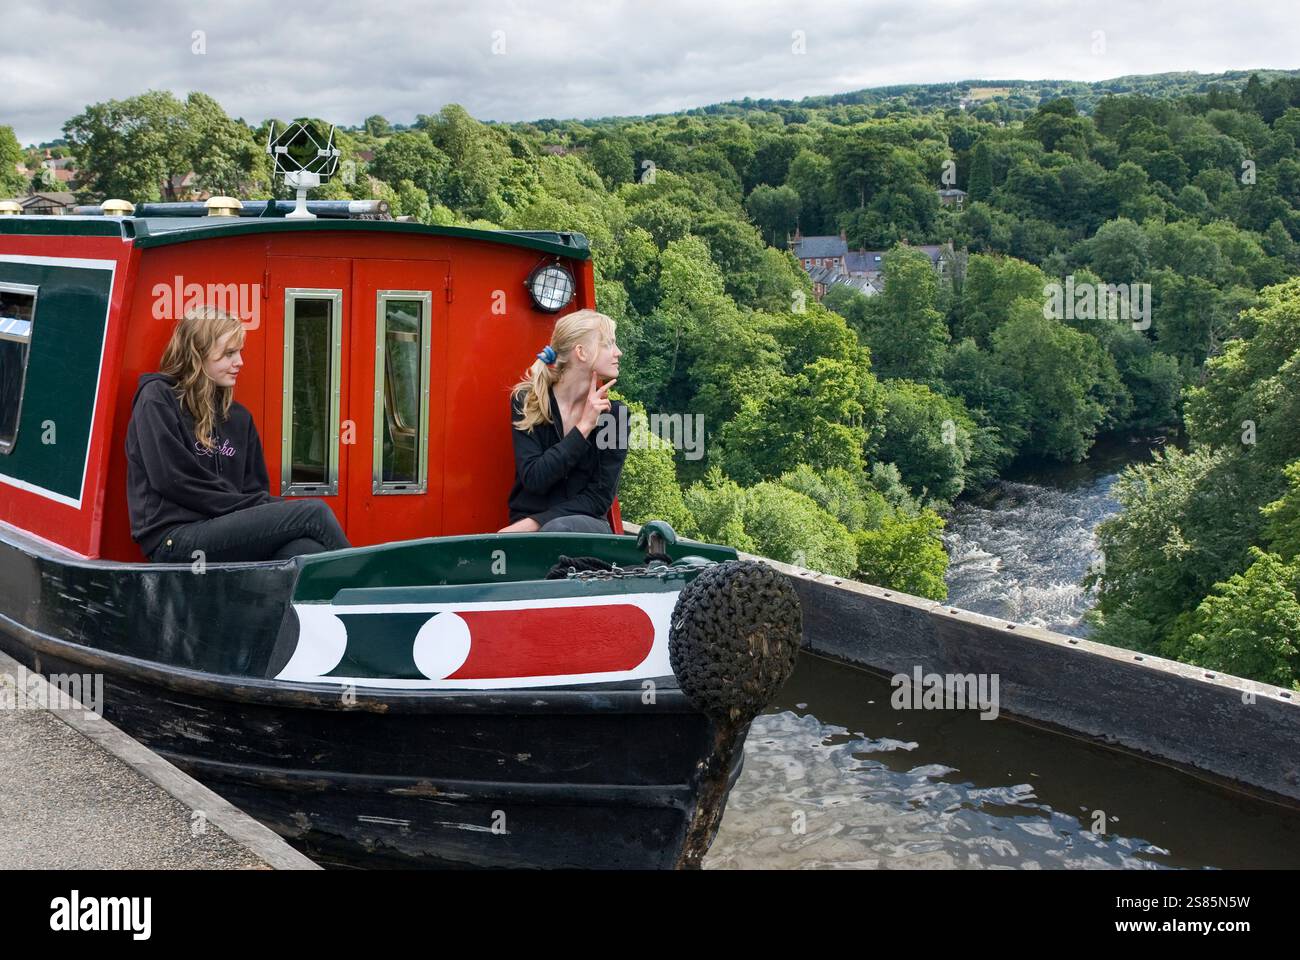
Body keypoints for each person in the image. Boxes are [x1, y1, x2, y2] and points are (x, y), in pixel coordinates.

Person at [126, 305, 352, 563]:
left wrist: (259, 509)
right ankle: (368, 589)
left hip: (224, 531)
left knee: (305, 548)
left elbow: (252, 489)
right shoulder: (157, 399)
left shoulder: (238, 417)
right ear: (197, 355)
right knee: (314, 513)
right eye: (228, 354)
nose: (239, 362)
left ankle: (286, 603)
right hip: (173, 538)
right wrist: (257, 508)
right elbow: (172, 479)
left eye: (239, 352)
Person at [501, 309, 627, 534]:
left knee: (558, 528)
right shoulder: (528, 402)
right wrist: (583, 428)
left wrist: (536, 523)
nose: (619, 352)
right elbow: (534, 478)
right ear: (581, 352)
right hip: (528, 530)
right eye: (609, 344)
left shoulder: (615, 416)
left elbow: (598, 498)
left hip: (585, 529)